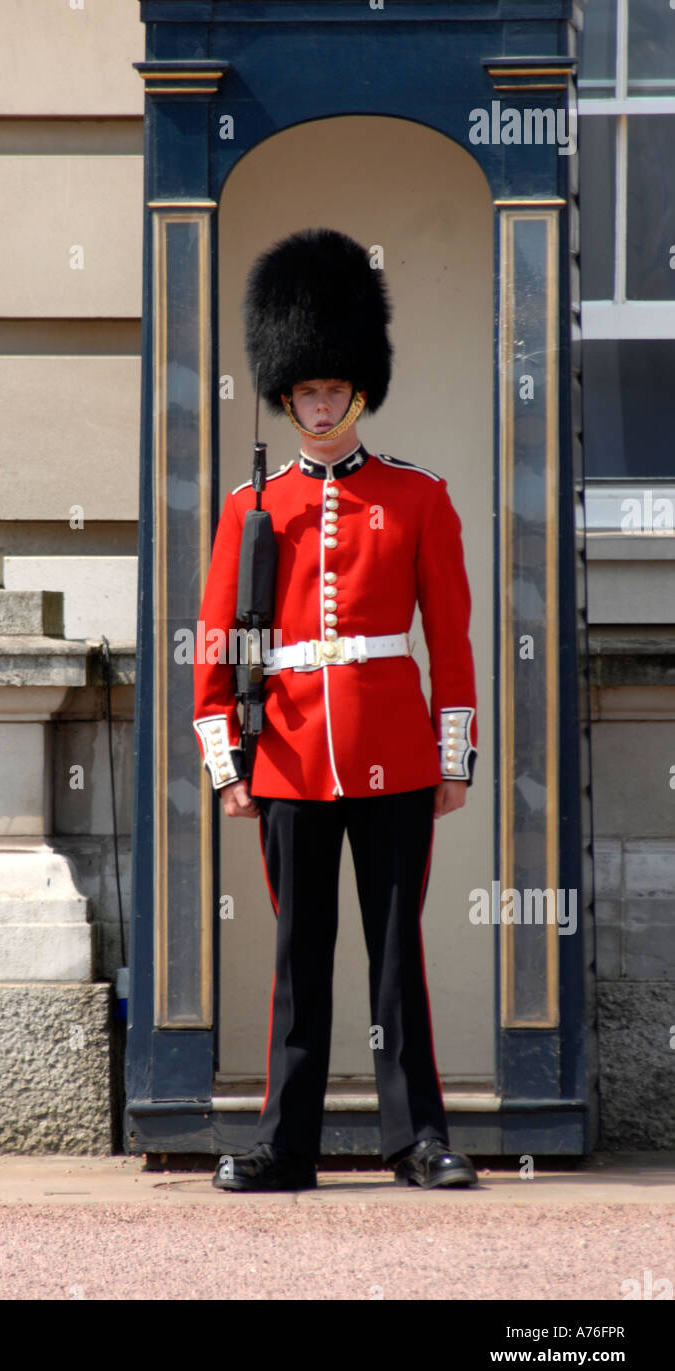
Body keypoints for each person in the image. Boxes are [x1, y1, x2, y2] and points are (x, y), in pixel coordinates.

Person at [192, 228, 479, 1191]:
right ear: (286, 397)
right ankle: (288, 1145)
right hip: (287, 755)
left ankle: (418, 1140)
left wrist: (454, 756)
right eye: (303, 393)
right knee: (296, 959)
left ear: (360, 391)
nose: (318, 406)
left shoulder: (417, 498)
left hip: (395, 753)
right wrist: (228, 764)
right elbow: (220, 641)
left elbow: (451, 640)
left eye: (332, 390)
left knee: (396, 956)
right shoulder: (250, 508)